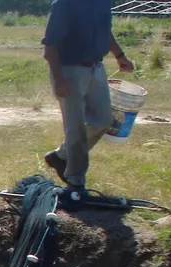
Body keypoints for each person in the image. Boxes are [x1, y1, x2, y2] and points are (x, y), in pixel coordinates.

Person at [41, 0, 134, 196]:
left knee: (104, 121)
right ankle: (76, 181)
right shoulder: (64, 4)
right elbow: (50, 47)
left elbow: (105, 31)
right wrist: (59, 80)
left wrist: (119, 55)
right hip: (69, 70)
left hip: (96, 68)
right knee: (75, 128)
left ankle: (61, 156)